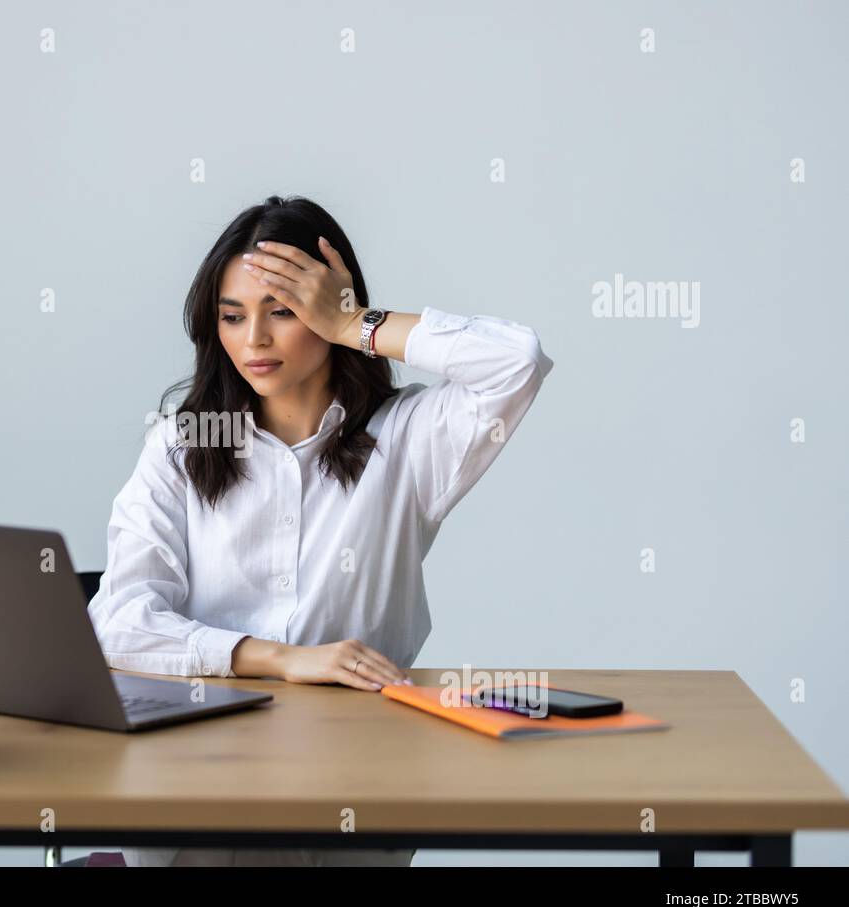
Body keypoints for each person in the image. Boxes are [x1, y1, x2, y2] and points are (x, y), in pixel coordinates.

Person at [87, 195, 554, 866]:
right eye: (232, 315)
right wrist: (280, 658)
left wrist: (355, 322)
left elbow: (517, 361)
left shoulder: (407, 439)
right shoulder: (180, 444)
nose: (254, 340)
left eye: (283, 309)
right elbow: (118, 622)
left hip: (357, 779)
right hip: (195, 783)